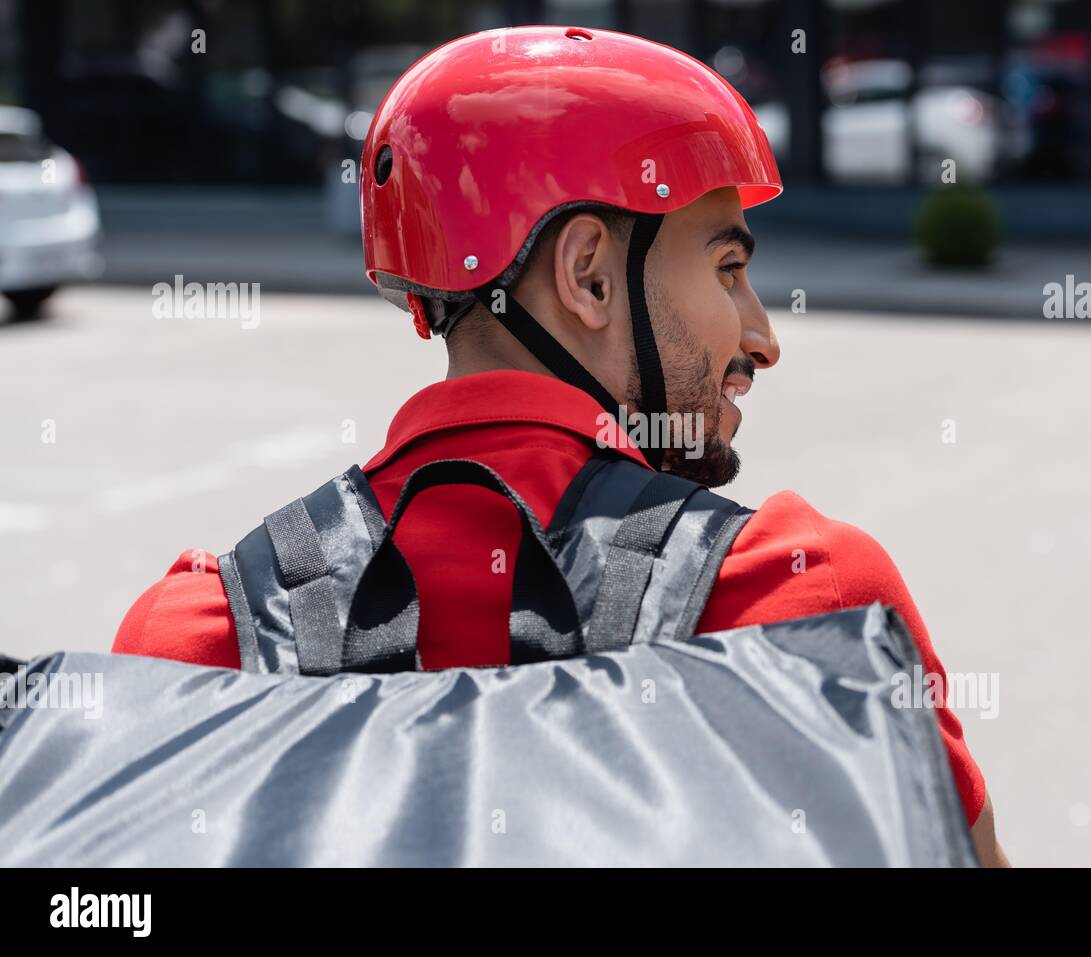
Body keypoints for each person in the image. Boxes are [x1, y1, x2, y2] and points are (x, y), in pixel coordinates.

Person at [113, 25, 1009, 867]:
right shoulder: (810, 598)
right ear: (587, 275)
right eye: (728, 269)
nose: (762, 335)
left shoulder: (201, 636)